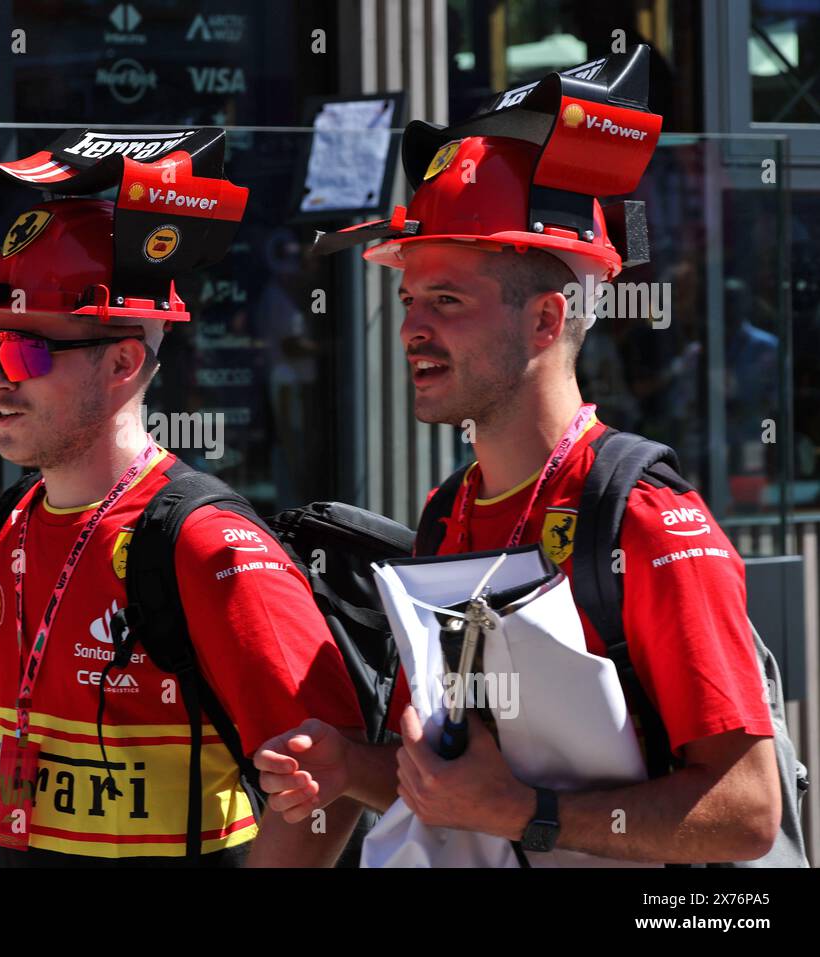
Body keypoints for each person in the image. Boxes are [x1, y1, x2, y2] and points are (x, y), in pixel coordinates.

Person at [257, 52, 784, 865]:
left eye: (447, 300)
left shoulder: (642, 513)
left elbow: (747, 810)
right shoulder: (447, 512)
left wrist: (533, 813)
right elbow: (447, 789)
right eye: (407, 300)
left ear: (545, 322)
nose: (410, 330)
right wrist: (343, 767)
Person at [0, 129, 365, 867]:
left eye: (27, 350)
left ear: (123, 361)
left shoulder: (205, 543)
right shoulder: (12, 524)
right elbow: (0, 741)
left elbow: (333, 783)